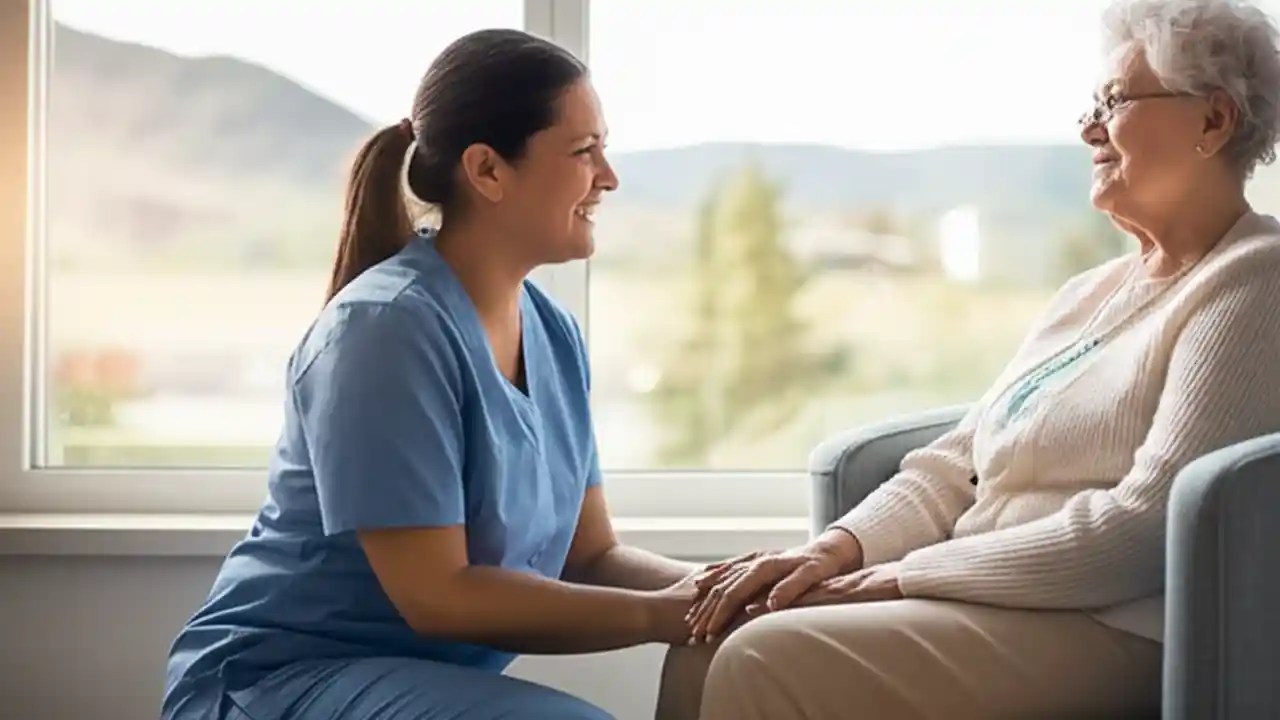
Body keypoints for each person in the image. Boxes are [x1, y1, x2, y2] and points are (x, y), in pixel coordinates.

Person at [659, 1, 1280, 718]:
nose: (1088, 127)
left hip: (1108, 625)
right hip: (981, 602)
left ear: (1214, 120)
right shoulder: (1092, 292)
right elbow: (954, 465)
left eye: (1114, 102)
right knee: (710, 634)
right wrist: (830, 553)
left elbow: (1142, 529)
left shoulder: (1254, 279)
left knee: (760, 655)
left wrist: (903, 578)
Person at [161, 29, 703, 720]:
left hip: (408, 682)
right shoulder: (384, 329)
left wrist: (727, 589)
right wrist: (663, 616)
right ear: (487, 171)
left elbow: (589, 557)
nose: (609, 176)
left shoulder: (554, 333)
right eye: (583, 151)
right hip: (277, 683)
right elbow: (437, 595)